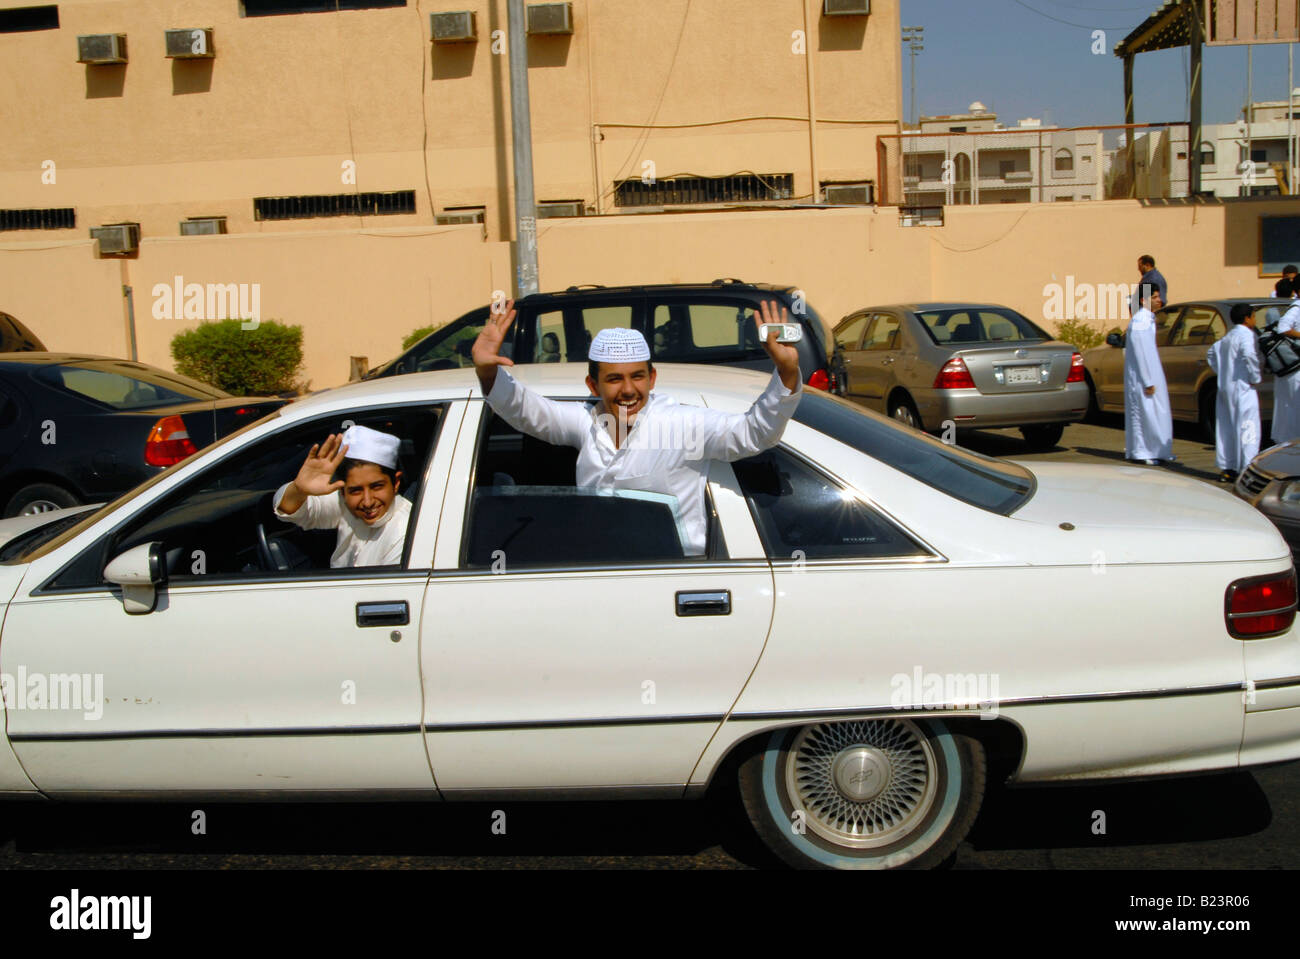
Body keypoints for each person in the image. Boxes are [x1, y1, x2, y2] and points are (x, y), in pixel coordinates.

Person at [471, 299, 802, 556]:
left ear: (652, 378)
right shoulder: (586, 422)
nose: (628, 390)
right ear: (592, 384)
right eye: (614, 379)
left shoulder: (682, 424)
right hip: (604, 573)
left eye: (637, 377)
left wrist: (786, 372)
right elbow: (529, 413)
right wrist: (488, 372)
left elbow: (753, 434)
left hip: (671, 579)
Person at [273, 424, 411, 567]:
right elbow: (292, 510)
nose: (368, 502)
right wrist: (299, 489)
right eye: (356, 490)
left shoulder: (405, 531)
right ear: (342, 491)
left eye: (376, 487)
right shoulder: (346, 504)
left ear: (395, 483)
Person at [1207, 303, 1262, 482]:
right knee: (1248, 428)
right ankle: (1247, 469)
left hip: (1226, 388)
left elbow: (1211, 354)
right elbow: (1249, 355)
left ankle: (1228, 468)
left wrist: (1222, 371)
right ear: (1247, 318)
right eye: (1254, 316)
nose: (1255, 319)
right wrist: (1255, 376)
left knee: (1227, 428)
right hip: (1243, 387)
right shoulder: (1246, 335)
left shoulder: (1228, 336)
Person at [1123, 287, 1174, 465]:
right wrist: (1147, 380)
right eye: (1154, 297)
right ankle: (1141, 451)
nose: (1159, 300)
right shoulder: (1140, 321)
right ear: (1143, 300)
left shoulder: (1147, 319)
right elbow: (1140, 352)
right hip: (1143, 378)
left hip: (1152, 374)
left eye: (1159, 296)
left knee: (1155, 413)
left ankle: (1158, 449)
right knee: (1144, 414)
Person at [1270, 278, 1300, 444]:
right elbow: (1283, 327)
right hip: (1294, 364)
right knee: (1292, 406)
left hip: (1293, 365)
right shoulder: (1297, 307)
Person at [1130, 254, 1168, 318]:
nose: (1138, 269)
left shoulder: (1153, 279)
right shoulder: (1148, 278)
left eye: (1140, 266)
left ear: (1147, 265)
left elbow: (1150, 303)